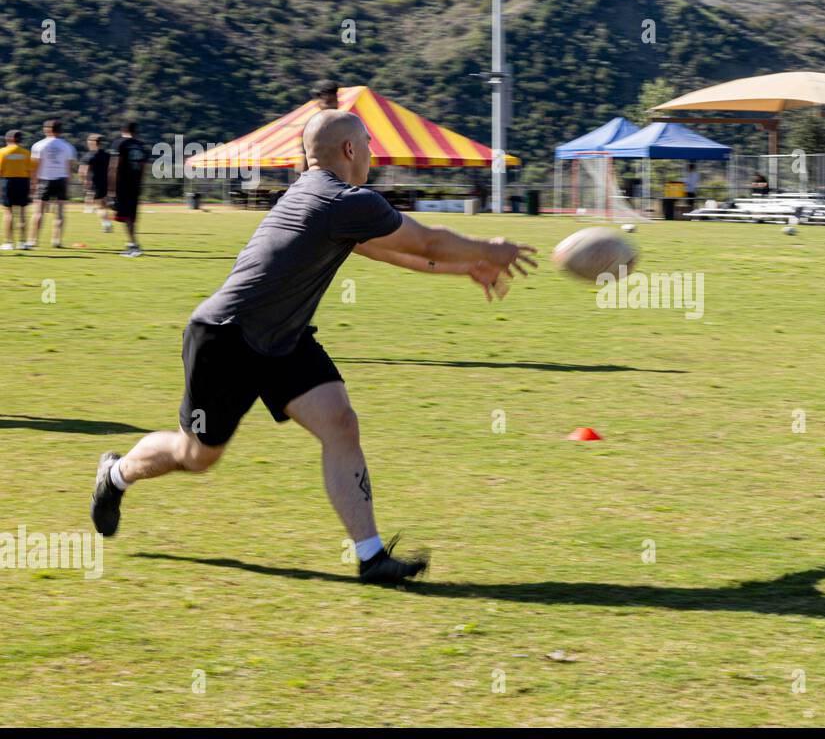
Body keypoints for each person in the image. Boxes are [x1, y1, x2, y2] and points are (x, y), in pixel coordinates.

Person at [90, 110, 538, 584]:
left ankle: (371, 557)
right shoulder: (343, 200)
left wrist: (462, 269)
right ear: (349, 150)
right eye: (367, 144)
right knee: (196, 456)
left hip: (284, 339)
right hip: (226, 339)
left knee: (341, 422)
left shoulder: (324, 196)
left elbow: (389, 249)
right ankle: (115, 474)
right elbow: (428, 239)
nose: (370, 153)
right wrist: (490, 250)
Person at [28, 119, 78, 249]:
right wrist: (68, 182)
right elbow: (69, 167)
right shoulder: (67, 146)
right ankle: (56, 240)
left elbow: (35, 167)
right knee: (60, 212)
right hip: (61, 180)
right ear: (60, 131)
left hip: (44, 180)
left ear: (46, 129)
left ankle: (33, 240)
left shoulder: (38, 145)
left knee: (38, 212)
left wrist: (33, 183)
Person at [110, 122, 147, 257]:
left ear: (122, 130)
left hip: (123, 185)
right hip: (135, 185)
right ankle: (132, 244)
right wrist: (140, 184)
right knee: (131, 216)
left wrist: (111, 190)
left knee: (126, 216)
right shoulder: (141, 145)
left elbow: (114, 167)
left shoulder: (120, 144)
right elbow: (144, 167)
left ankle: (134, 246)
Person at [0, 130, 33, 251]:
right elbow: (30, 170)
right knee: (22, 213)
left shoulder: (2, 152)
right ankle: (22, 242)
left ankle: (8, 242)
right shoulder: (26, 153)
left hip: (7, 182)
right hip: (23, 182)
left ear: (8, 139)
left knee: (8, 213)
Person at [79, 134, 114, 232]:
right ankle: (107, 223)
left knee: (99, 207)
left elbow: (82, 172)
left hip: (95, 184)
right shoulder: (107, 155)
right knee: (103, 205)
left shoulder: (89, 156)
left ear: (91, 142)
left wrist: (85, 182)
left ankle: (107, 225)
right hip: (106, 183)